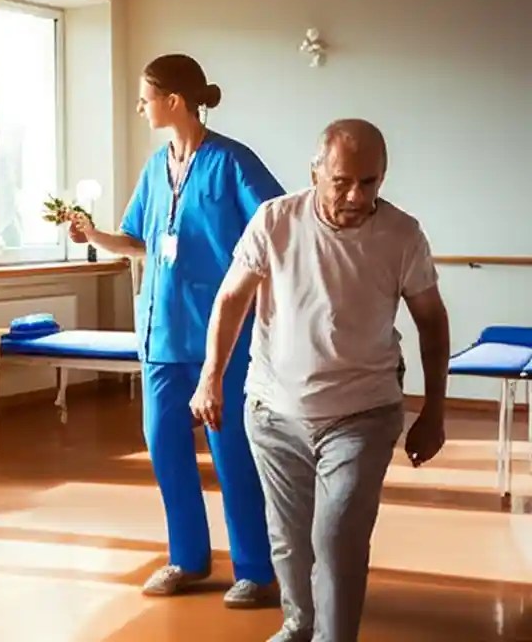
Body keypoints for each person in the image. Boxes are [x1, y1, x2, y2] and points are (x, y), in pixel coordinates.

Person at [189, 119, 450, 642]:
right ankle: (299, 624)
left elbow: (432, 320)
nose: (356, 196)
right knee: (287, 538)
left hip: (363, 413)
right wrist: (210, 377)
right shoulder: (275, 221)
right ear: (315, 173)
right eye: (342, 181)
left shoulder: (401, 235)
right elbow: (232, 299)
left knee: (337, 538)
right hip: (273, 410)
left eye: (370, 183)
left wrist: (435, 412)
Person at [71, 53, 284, 608]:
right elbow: (139, 240)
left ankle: (256, 571)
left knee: (232, 453)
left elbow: (277, 233)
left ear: (173, 100)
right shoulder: (153, 168)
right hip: (161, 339)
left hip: (222, 342)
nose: (140, 106)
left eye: (146, 97)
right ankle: (188, 559)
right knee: (165, 449)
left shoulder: (233, 162)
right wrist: (94, 235)